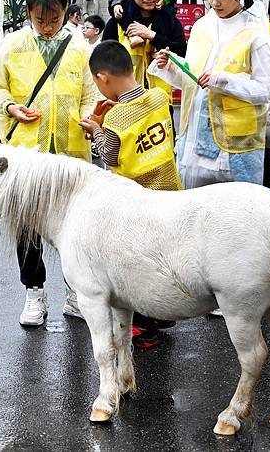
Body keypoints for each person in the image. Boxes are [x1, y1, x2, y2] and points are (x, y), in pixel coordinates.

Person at [0, 0, 98, 327]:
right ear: (28, 13)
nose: (47, 27)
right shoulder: (12, 45)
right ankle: (34, 292)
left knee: (73, 228)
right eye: (40, 20)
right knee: (28, 227)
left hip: (70, 154)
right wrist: (10, 106)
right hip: (25, 155)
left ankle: (75, 292)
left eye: (55, 19)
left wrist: (89, 118)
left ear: (65, 12)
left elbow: (90, 93)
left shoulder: (79, 49)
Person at [78, 40, 181, 347]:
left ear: (102, 78)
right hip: (170, 190)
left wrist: (96, 130)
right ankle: (166, 311)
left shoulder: (116, 118)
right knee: (166, 257)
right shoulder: (159, 97)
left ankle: (144, 324)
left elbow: (108, 157)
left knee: (141, 263)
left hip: (138, 202)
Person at [150, 0, 270, 190]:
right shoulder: (203, 26)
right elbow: (194, 77)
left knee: (239, 214)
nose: (215, 2)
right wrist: (171, 65)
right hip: (195, 140)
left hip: (237, 144)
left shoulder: (256, 34)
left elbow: (266, 90)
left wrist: (223, 81)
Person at [102, 0, 187, 102]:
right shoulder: (117, 22)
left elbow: (183, 53)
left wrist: (152, 36)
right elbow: (103, 64)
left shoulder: (170, 21)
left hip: (161, 106)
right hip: (126, 105)